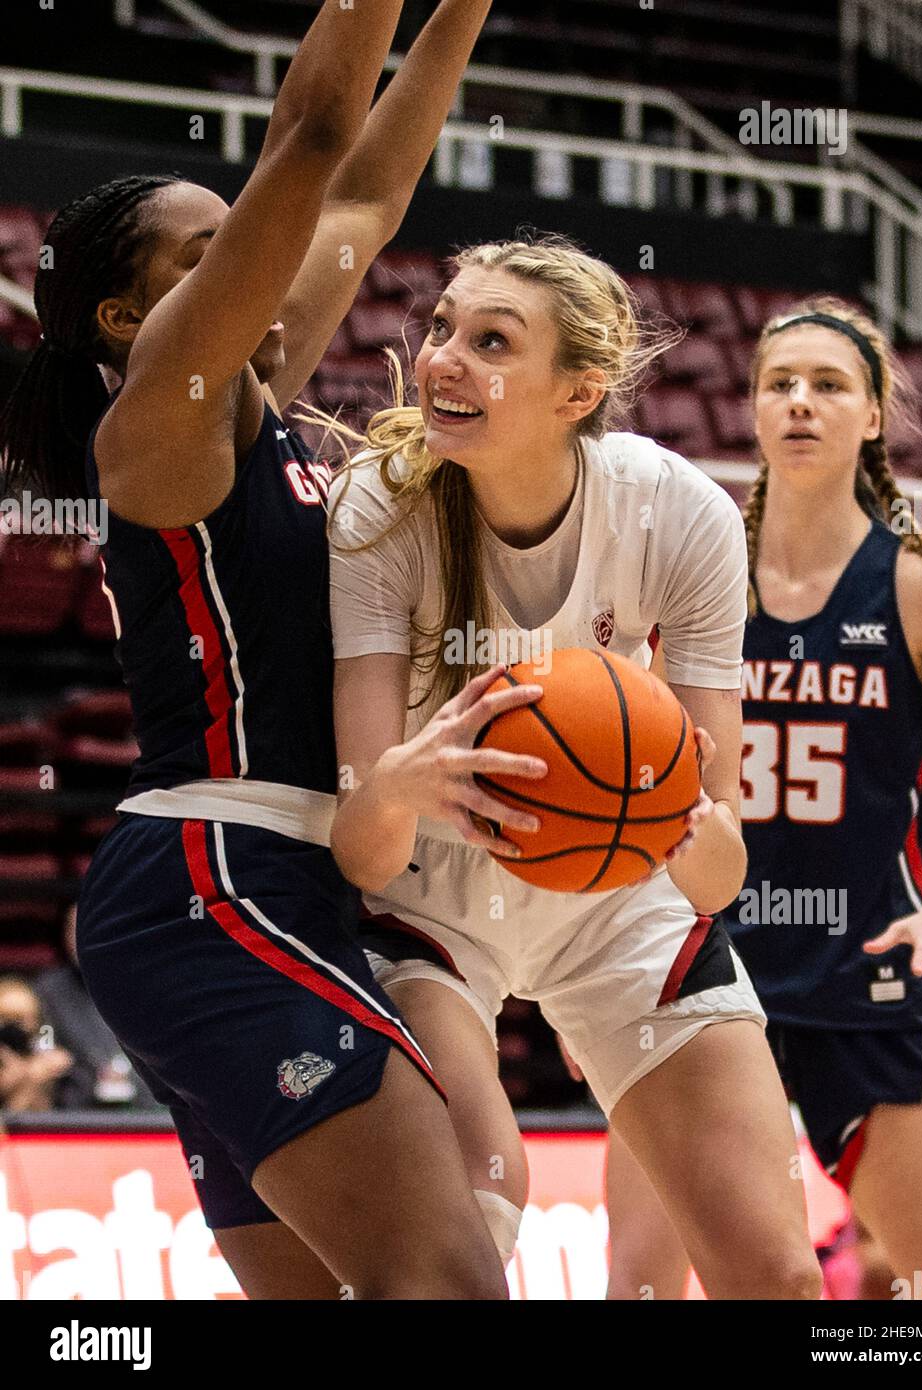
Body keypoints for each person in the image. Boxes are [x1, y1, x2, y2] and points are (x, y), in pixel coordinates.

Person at [0, 0, 508, 1300]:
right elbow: (316, 135)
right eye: (210, 255)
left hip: (266, 885)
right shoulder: (155, 437)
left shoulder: (259, 414)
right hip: (216, 875)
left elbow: (370, 188)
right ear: (128, 319)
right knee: (449, 1283)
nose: (260, 267)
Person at [326, 234, 823, 1299]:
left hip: (620, 892)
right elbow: (363, 848)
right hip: (434, 895)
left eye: (491, 340)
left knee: (777, 1274)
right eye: (444, 327)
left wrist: (706, 833)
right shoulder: (382, 506)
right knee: (479, 1216)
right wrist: (402, 786)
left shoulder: (677, 509)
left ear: (578, 391)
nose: (442, 358)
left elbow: (716, 876)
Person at [599, 297, 922, 1298]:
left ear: (872, 417)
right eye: (781, 382)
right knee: (640, 1283)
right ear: (751, 407)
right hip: (698, 957)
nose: (801, 403)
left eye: (829, 385)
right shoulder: (694, 568)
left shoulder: (920, 585)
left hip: (864, 967)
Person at [34, 905, 161, 1108]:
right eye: (71, 930)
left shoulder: (144, 982)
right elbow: (44, 1036)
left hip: (144, 1096)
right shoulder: (50, 990)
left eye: (85, 929)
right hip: (77, 1097)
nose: (78, 939)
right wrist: (47, 1051)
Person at [0, 976, 73, 1114]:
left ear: (36, 1022)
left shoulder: (49, 1060)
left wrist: (37, 1078)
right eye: (5, 1018)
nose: (13, 1027)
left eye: (21, 1019)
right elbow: (8, 1124)